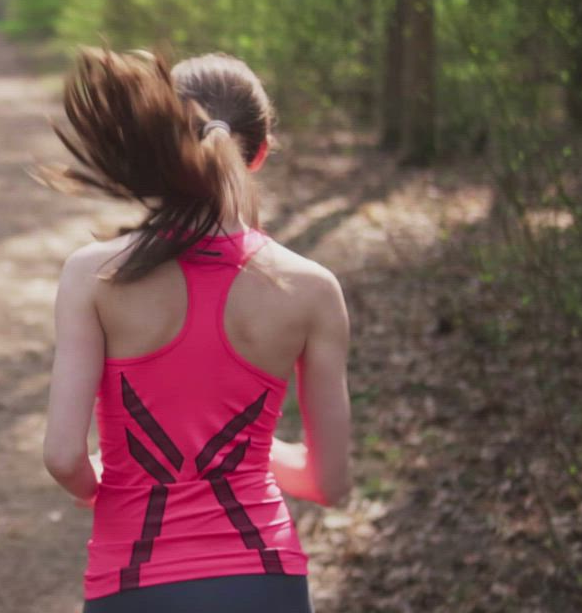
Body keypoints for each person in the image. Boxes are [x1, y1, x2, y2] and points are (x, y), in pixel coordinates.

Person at [39, 49, 352, 613]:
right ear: (257, 154)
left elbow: (64, 457)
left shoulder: (94, 274)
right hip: (267, 583)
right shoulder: (311, 288)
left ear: (159, 144)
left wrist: (106, 484)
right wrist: (244, 452)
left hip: (133, 583)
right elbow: (330, 484)